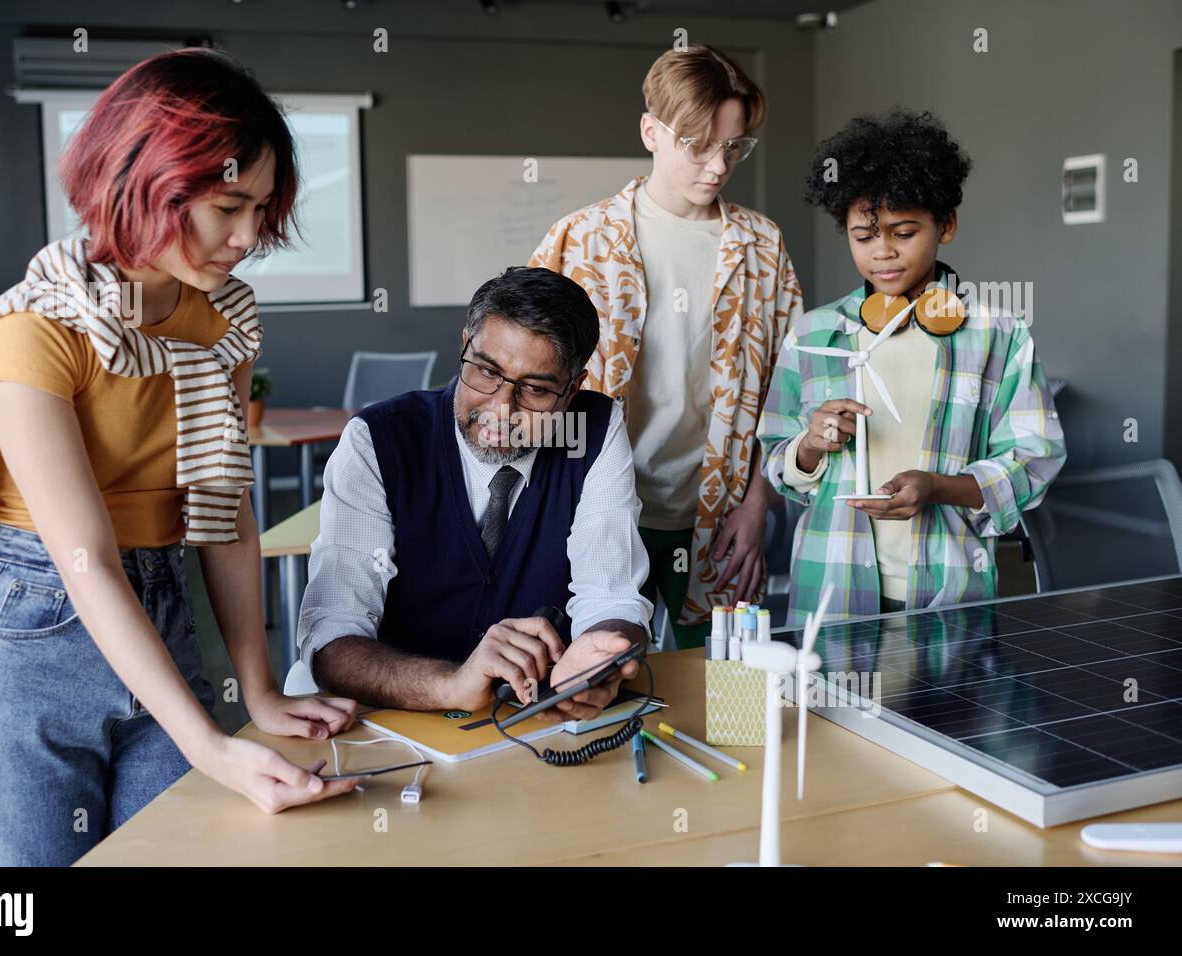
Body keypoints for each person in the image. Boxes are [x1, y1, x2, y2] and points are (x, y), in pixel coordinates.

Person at [0, 49, 361, 867]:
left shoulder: (219, 321)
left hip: (160, 609)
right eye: (228, 206)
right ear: (143, 182)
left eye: (261, 210)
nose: (248, 237)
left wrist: (258, 690)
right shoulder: (35, 332)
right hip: (27, 638)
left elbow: (224, 509)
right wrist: (210, 745)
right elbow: (83, 558)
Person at [529, 44, 804, 648]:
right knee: (592, 686)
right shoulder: (578, 240)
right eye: (699, 146)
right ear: (651, 132)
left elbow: (792, 391)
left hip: (720, 518)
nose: (718, 165)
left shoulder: (762, 247)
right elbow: (523, 385)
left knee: (726, 701)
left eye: (733, 146)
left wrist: (758, 507)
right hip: (592, 510)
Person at [297, 267, 651, 718]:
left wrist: (602, 657)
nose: (502, 408)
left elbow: (612, 595)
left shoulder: (595, 431)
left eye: (537, 390)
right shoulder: (378, 440)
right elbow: (331, 635)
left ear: (572, 390)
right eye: (486, 371)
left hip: (535, 720)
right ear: (465, 345)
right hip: (401, 721)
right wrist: (451, 685)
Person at [757, 109, 1066, 623]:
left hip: (950, 587)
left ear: (945, 225)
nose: (883, 253)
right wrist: (808, 445)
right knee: (833, 705)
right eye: (864, 236)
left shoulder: (999, 334)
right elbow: (779, 463)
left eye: (904, 232)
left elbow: (1036, 460)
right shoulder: (812, 335)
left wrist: (940, 487)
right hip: (831, 584)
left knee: (947, 706)